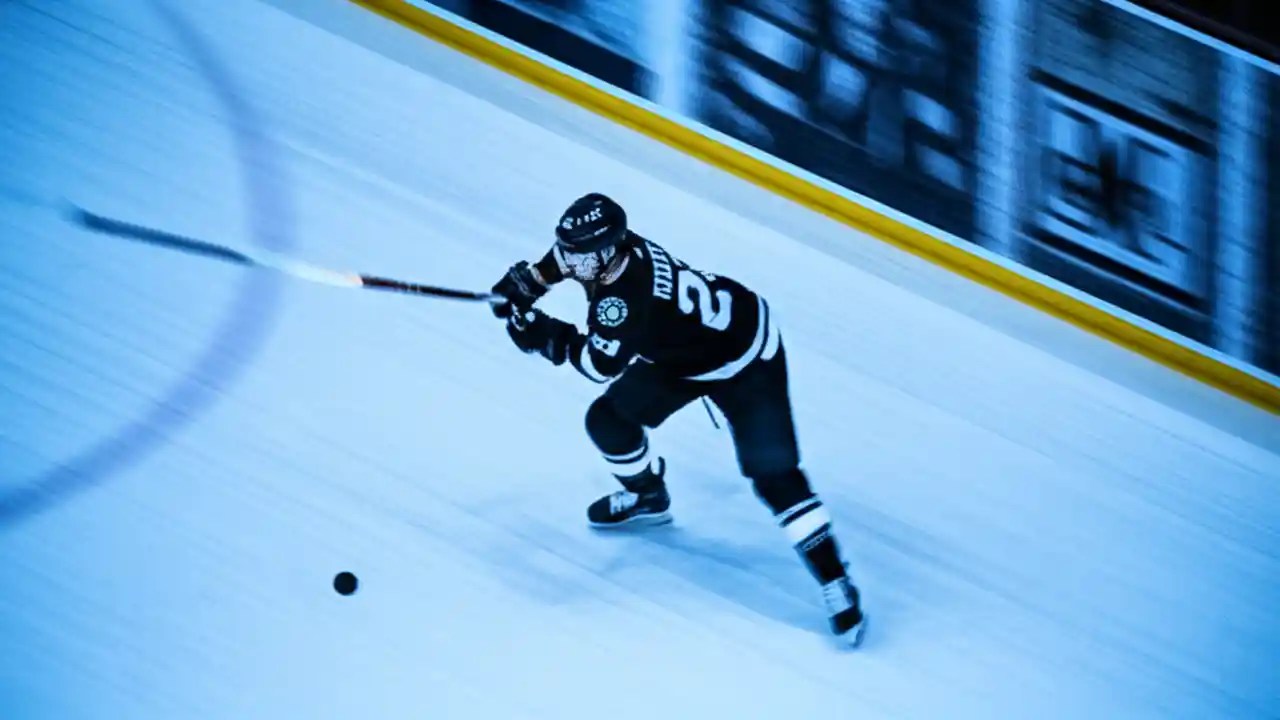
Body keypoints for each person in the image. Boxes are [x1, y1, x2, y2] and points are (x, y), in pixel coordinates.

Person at [490, 192, 866, 648]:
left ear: (608, 251)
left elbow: (597, 364)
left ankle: (834, 578)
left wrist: (540, 334)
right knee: (609, 422)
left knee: (775, 478)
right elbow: (561, 260)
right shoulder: (608, 253)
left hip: (747, 361)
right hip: (683, 356)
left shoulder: (623, 299)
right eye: (568, 250)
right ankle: (648, 496)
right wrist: (528, 284)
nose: (571, 262)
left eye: (580, 255)